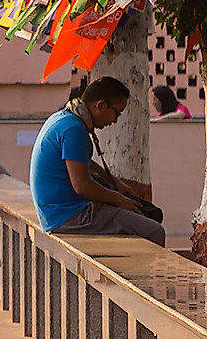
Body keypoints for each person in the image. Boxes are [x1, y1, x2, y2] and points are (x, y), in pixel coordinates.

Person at [30, 76, 165, 245]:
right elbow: (82, 186)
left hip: (56, 213)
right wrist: (119, 199)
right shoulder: (74, 130)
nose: (115, 120)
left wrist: (114, 181)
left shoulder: (64, 118)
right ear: (100, 105)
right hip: (69, 216)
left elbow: (79, 161)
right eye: (116, 113)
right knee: (154, 231)